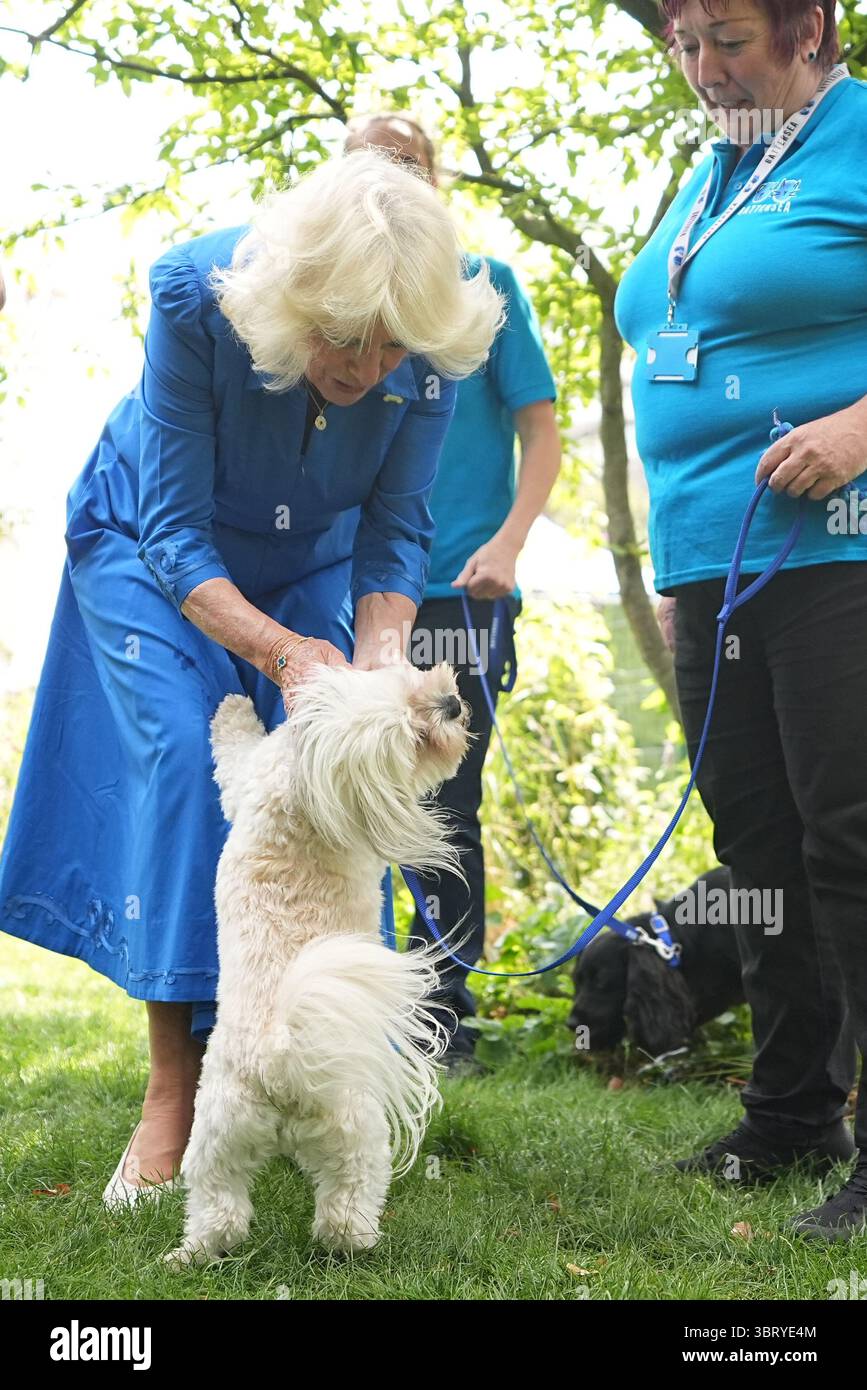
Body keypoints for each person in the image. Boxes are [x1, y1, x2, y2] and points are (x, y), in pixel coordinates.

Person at [0, 149, 504, 1196]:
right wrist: (279, 651)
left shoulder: (428, 351)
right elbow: (177, 534)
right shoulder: (195, 294)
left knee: (338, 790)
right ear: (296, 299)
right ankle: (175, 1090)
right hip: (154, 548)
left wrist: (379, 669)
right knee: (192, 761)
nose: (367, 368)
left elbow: (397, 530)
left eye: (390, 346)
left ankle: (338, 1075)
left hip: (310, 550)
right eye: (344, 335)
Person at [615, 0, 867, 1239]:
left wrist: (861, 428)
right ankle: (789, 1116)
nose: (704, 69)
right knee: (759, 852)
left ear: (811, 26)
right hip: (716, 567)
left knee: (852, 840)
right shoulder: (719, 167)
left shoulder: (860, 133)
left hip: (841, 548)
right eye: (684, 42)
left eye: (730, 39)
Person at [344, 115, 562, 1068]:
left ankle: (444, 1016)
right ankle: (353, 997)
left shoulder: (487, 290)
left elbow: (543, 431)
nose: (390, 174)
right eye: (371, 160)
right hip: (354, 595)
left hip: (460, 594)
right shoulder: (335, 294)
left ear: (434, 181)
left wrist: (509, 545)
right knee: (345, 795)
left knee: (444, 805)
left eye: (406, 160)